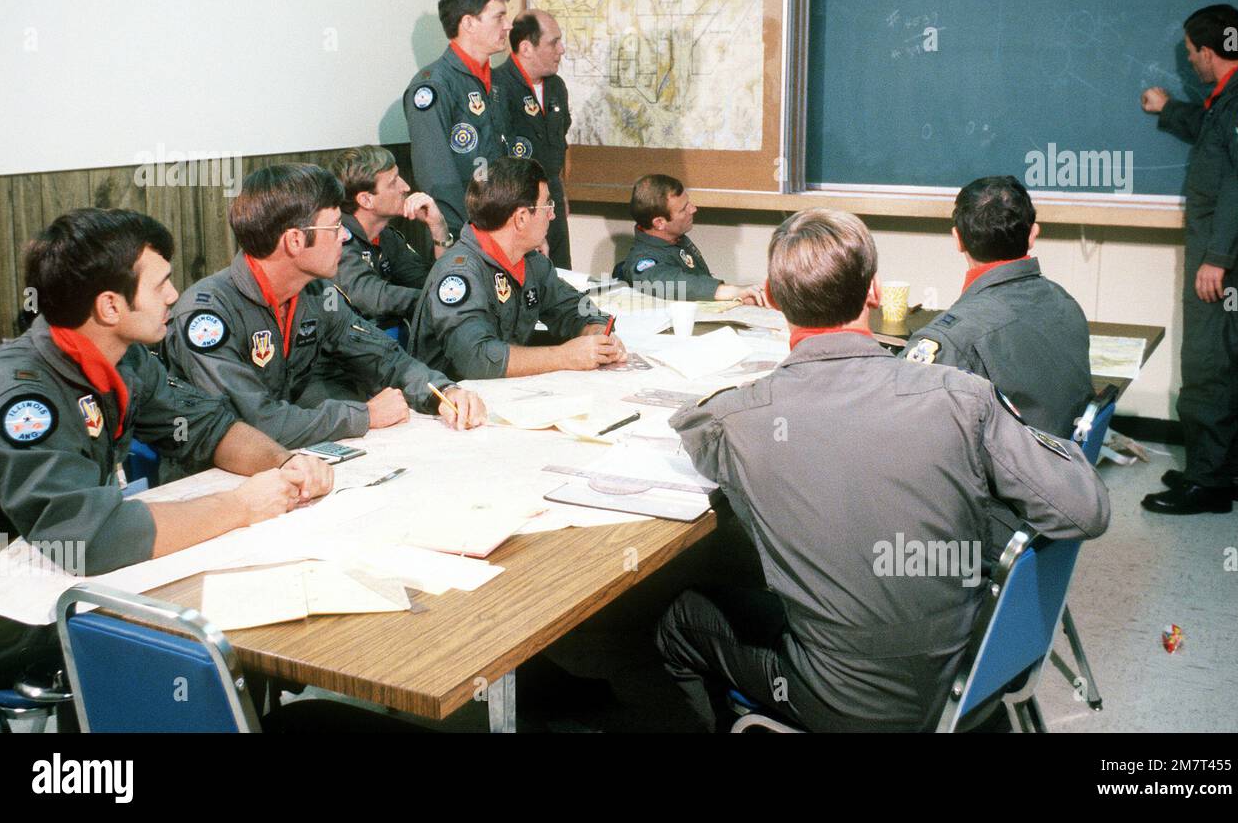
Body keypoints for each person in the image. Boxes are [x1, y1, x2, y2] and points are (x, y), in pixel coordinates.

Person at [657, 209, 1110, 732]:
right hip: (967, 670)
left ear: (773, 298)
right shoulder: (960, 397)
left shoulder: (738, 421)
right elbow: (1089, 510)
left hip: (840, 703)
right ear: (873, 291)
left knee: (679, 618)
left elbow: (696, 433)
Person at [0, 208, 333, 688]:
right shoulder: (23, 397)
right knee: (198, 639)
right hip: (5, 601)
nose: (173, 295)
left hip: (66, 572)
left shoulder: (125, 360)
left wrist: (284, 462)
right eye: (160, 284)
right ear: (110, 307)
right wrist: (242, 505)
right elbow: (92, 540)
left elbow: (209, 427)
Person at [163, 163, 485, 449]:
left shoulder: (316, 293)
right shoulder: (207, 316)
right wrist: (364, 416)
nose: (345, 236)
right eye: (334, 227)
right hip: (207, 480)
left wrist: (443, 392)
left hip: (288, 458)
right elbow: (255, 423)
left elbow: (385, 358)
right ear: (294, 241)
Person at [1139, 5, 1238, 515]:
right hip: (1226, 248)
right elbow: (1211, 130)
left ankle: (1208, 484)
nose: (1191, 62)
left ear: (1208, 51)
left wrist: (1216, 259)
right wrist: (1169, 108)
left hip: (1227, 252)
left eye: (1193, 52)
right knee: (1229, 359)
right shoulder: (1235, 97)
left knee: (1209, 362)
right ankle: (1226, 471)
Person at [902, 176, 1093, 438]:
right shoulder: (1065, 301)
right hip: (1060, 466)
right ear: (1033, 234)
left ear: (957, 239)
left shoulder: (950, 341)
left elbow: (902, 425)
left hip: (1003, 476)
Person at [412, 157, 624, 380]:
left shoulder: (531, 262)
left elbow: (572, 308)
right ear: (522, 218)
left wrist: (598, 333)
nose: (552, 215)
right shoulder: (459, 274)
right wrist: (565, 356)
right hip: (450, 404)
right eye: (547, 206)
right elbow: (475, 359)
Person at [403, 0, 511, 241]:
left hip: (500, 230)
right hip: (463, 238)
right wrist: (460, 238)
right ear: (468, 23)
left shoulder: (496, 83)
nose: (508, 26)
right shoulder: (433, 87)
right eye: (499, 17)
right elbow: (437, 178)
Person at [331, 145, 449, 332]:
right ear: (366, 200)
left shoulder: (385, 236)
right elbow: (374, 297)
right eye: (394, 182)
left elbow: (429, 283)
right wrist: (446, 301)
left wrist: (439, 229)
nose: (406, 187)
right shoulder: (335, 239)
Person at [497, 10, 574, 268]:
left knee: (561, 273)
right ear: (526, 48)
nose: (561, 49)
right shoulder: (497, 87)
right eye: (554, 42)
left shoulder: (557, 87)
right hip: (518, 207)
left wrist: (559, 192)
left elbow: (559, 142)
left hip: (552, 199)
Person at [619, 174, 766, 303]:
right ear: (659, 223)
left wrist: (740, 297)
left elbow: (699, 282)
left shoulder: (674, 240)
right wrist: (732, 291)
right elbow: (673, 283)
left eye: (688, 203)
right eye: (684, 209)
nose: (693, 209)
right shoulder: (643, 261)